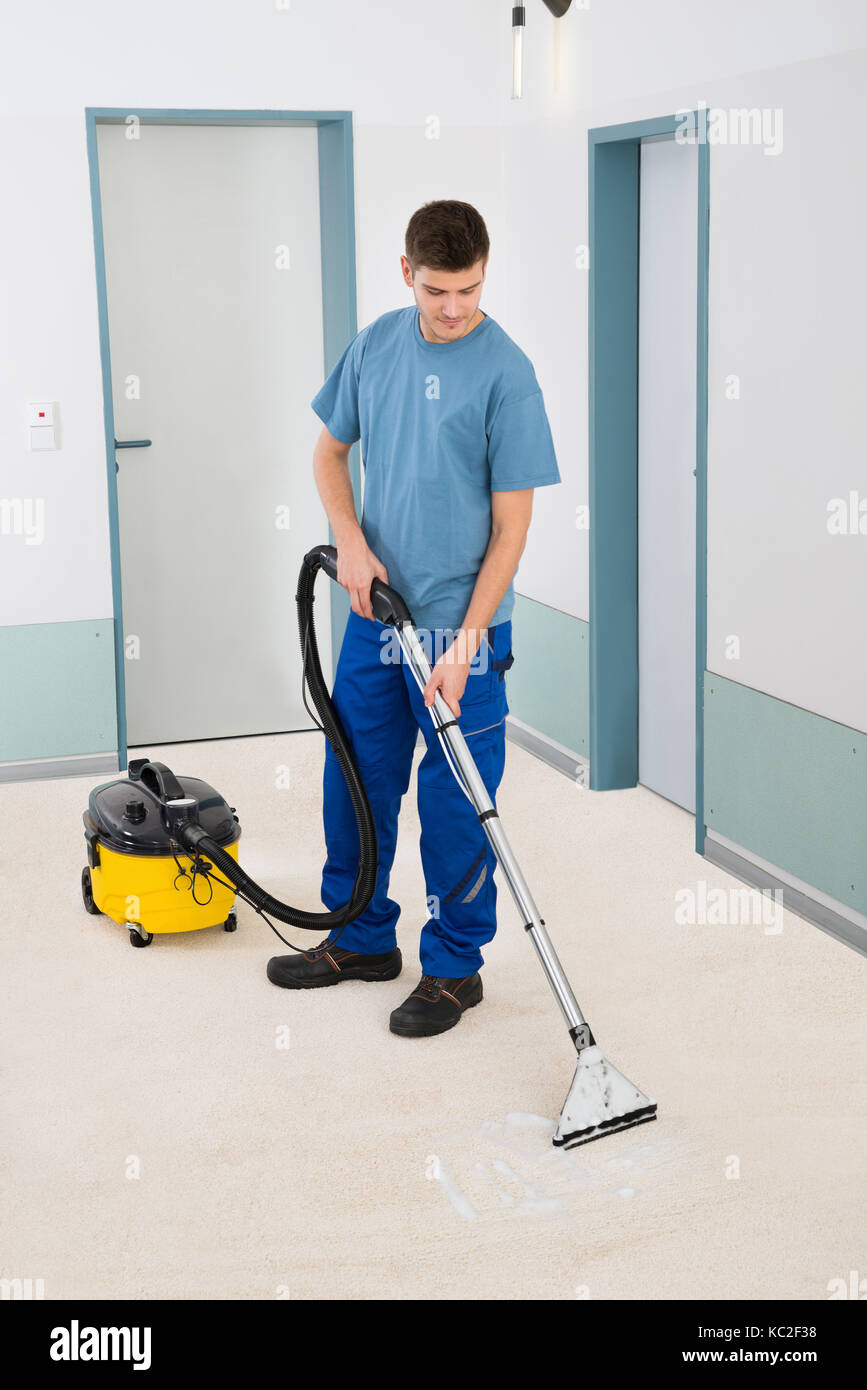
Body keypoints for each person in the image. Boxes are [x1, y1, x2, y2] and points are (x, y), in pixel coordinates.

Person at [267, 199, 561, 1036]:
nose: (455, 307)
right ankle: (360, 937)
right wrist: (349, 543)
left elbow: (513, 528)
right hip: (374, 621)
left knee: (456, 803)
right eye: (438, 290)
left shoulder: (508, 374)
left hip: (459, 634)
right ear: (408, 274)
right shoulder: (376, 346)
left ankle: (453, 969)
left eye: (469, 288)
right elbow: (328, 452)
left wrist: (465, 647)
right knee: (355, 782)